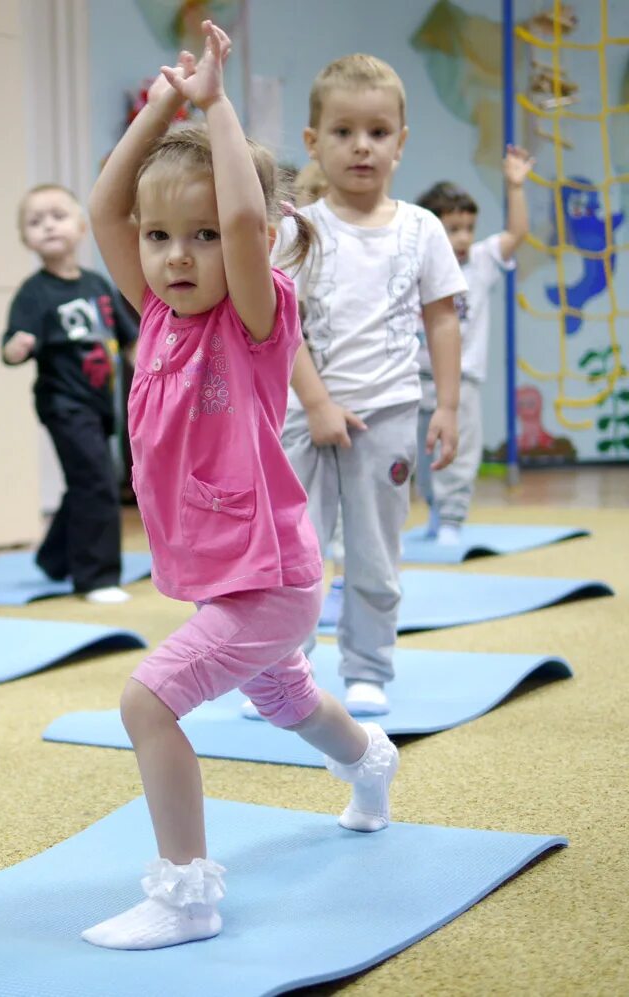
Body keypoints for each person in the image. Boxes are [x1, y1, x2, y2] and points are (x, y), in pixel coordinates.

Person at [80, 23, 398, 950]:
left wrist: (215, 106)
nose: (178, 257)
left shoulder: (252, 324)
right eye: (161, 238)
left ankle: (187, 896)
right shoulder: (157, 316)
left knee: (147, 701)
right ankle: (370, 761)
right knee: (289, 699)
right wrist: (162, 109)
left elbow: (252, 224)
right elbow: (109, 207)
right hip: (231, 574)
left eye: (204, 237)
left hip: (272, 575)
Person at [281, 53, 466, 716]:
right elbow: (282, 329)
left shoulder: (422, 229)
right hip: (306, 415)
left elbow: (441, 319)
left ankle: (368, 665)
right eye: (343, 131)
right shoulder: (298, 231)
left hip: (388, 412)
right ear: (313, 141)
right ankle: (287, 668)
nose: (362, 145)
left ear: (401, 142)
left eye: (378, 132)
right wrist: (318, 400)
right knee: (295, 549)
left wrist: (445, 405)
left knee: (374, 550)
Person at [3, 184, 139, 604]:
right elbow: (10, 347)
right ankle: (96, 578)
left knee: (87, 479)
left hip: (101, 403)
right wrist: (18, 346)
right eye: (36, 221)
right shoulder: (34, 292)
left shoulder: (97, 284)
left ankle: (53, 557)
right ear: (26, 238)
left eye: (57, 216)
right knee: (97, 480)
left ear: (81, 226)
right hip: (63, 404)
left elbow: (130, 340)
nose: (47, 226)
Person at [415, 146, 534, 543]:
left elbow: (516, 233)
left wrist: (515, 185)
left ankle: (452, 517)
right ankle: (434, 508)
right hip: (416, 378)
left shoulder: (480, 262)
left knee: (459, 452)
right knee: (422, 452)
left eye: (468, 227)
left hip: (461, 380)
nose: (463, 237)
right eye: (452, 229)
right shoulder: (417, 266)